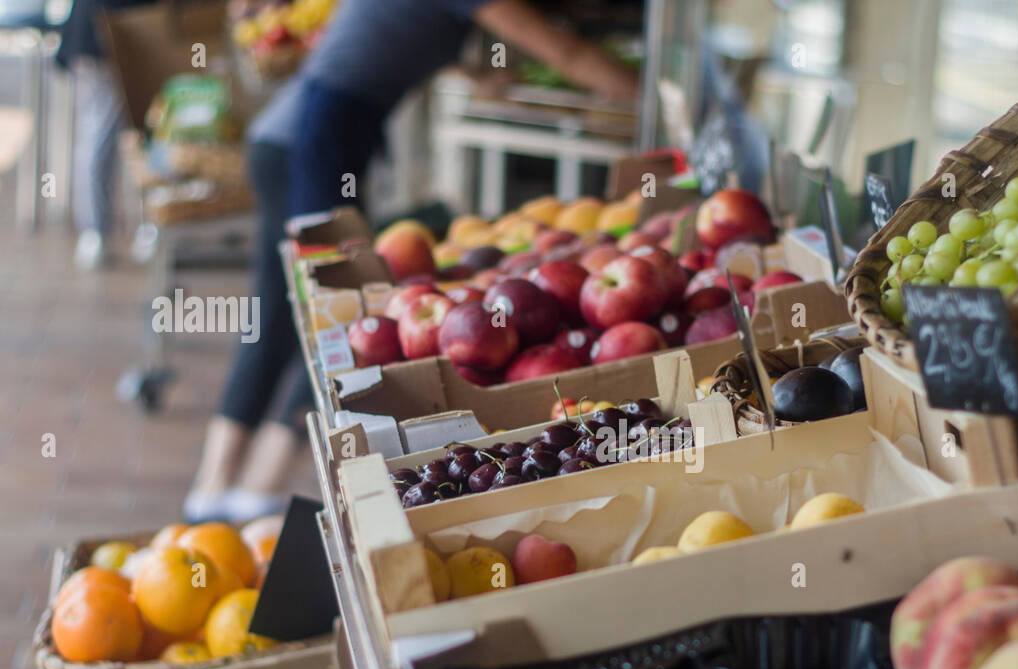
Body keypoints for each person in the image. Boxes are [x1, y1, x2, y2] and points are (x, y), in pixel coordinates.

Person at [184, 0, 640, 523]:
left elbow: (389, 39)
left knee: (280, 314)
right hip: (314, 141)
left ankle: (214, 485)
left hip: (290, 140)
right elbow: (566, 51)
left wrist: (473, 72)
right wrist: (650, 100)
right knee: (338, 318)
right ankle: (254, 489)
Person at [55, 0, 151, 270]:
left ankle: (100, 234)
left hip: (103, 32)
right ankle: (97, 233)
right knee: (107, 135)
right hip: (108, 34)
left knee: (102, 134)